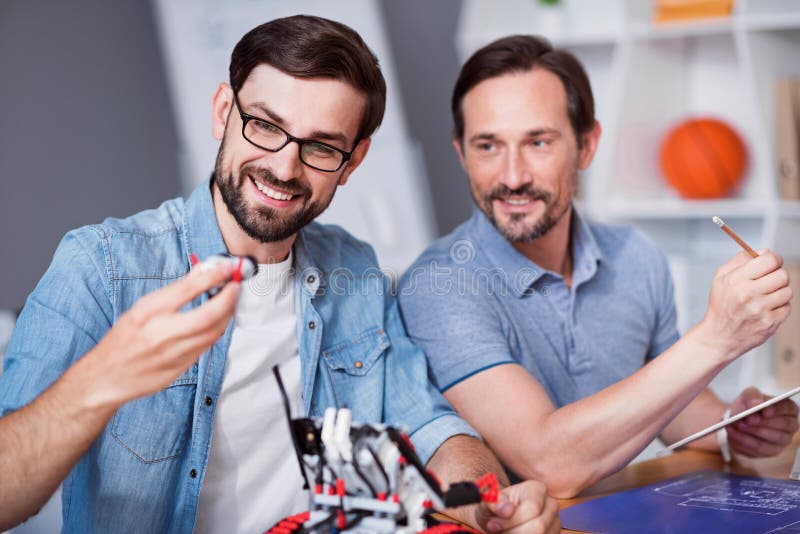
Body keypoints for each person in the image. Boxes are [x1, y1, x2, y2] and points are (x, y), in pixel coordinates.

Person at [0, 18, 560, 534]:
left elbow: (427, 425)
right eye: (265, 126)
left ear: (353, 161)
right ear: (224, 112)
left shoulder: (355, 272)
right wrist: (102, 380)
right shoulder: (102, 267)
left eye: (321, 146)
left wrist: (487, 499)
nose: (284, 167)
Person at [397, 35, 798, 498]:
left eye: (538, 142)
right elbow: (549, 464)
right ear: (462, 152)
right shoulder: (439, 285)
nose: (512, 176)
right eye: (487, 146)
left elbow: (670, 403)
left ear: (587, 146)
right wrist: (718, 338)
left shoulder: (635, 257)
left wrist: (731, 424)